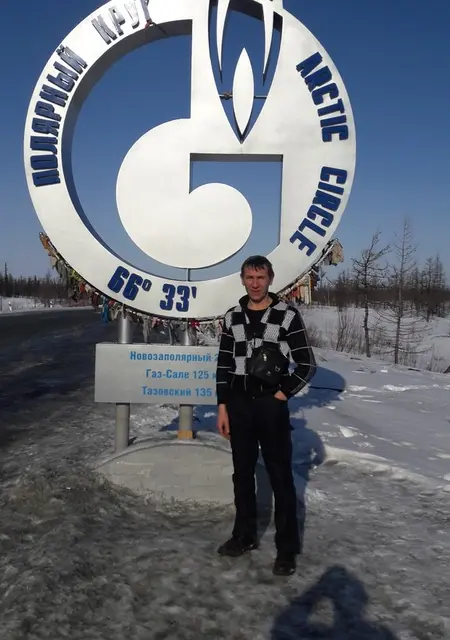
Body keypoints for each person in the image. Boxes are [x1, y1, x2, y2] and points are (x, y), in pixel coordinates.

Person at [216, 255, 316, 576]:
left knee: (280, 476)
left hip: (271, 406)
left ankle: (286, 549)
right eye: (249, 277)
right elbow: (223, 364)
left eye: (261, 277)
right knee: (242, 475)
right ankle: (244, 535)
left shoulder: (286, 315)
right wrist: (222, 405)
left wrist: (282, 394)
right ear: (242, 279)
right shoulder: (232, 316)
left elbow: (306, 364)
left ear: (270, 279)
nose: (255, 284)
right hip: (239, 405)